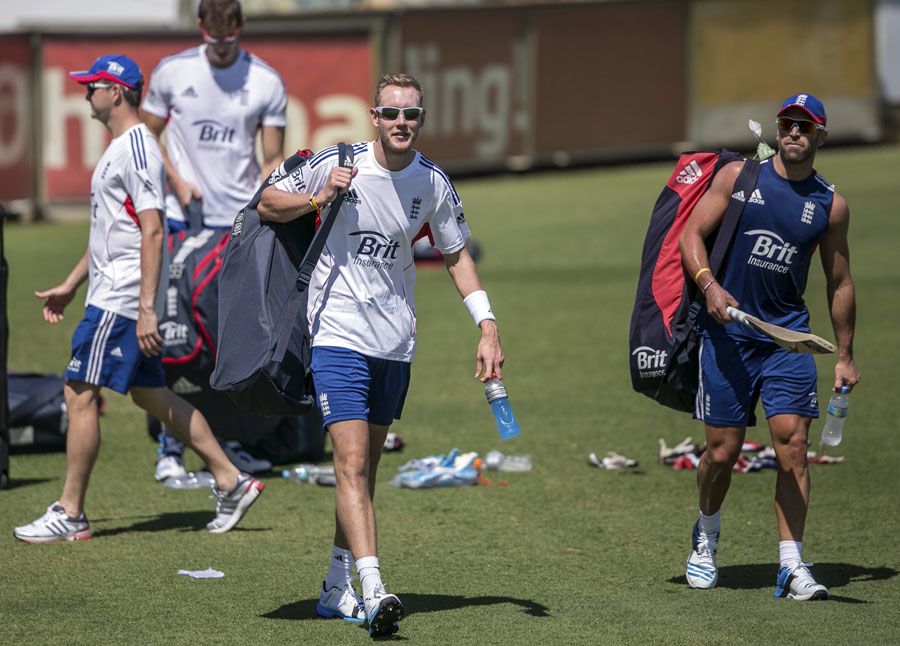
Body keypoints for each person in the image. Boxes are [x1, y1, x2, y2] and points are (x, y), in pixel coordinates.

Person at [257, 73, 505, 637]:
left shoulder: (433, 181)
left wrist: (487, 325)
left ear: (422, 119)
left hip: (395, 342)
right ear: (373, 116)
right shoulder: (336, 160)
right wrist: (319, 197)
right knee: (350, 464)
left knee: (361, 475)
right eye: (391, 113)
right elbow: (267, 201)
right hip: (336, 334)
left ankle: (333, 588)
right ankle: (373, 591)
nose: (401, 123)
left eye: (411, 115)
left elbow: (457, 254)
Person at [13, 54, 264, 544]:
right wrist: (70, 284)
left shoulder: (138, 149)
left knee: (78, 392)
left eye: (93, 86)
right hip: (115, 292)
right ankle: (231, 480)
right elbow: (114, 229)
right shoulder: (123, 148)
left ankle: (71, 512)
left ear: (117, 92)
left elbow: (153, 229)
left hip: (121, 298)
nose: (85, 94)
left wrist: (147, 307)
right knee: (153, 395)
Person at [679, 93, 860, 600]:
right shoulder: (741, 178)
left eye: (805, 126)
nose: (795, 132)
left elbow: (839, 281)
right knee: (722, 451)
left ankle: (791, 565)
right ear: (779, 130)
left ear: (821, 136)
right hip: (728, 335)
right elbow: (691, 233)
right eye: (787, 123)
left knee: (794, 448)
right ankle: (707, 534)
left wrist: (845, 355)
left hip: (788, 340)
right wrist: (709, 284)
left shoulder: (830, 205)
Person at [140, 0, 287, 481]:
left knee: (229, 338)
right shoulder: (171, 72)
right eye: (212, 40)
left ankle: (223, 440)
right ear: (201, 28)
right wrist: (177, 181)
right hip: (184, 223)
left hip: (237, 227)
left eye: (229, 41)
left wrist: (258, 197)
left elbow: (273, 157)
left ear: (240, 29)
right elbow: (144, 140)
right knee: (173, 333)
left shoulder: (265, 81)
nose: (220, 49)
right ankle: (169, 449)